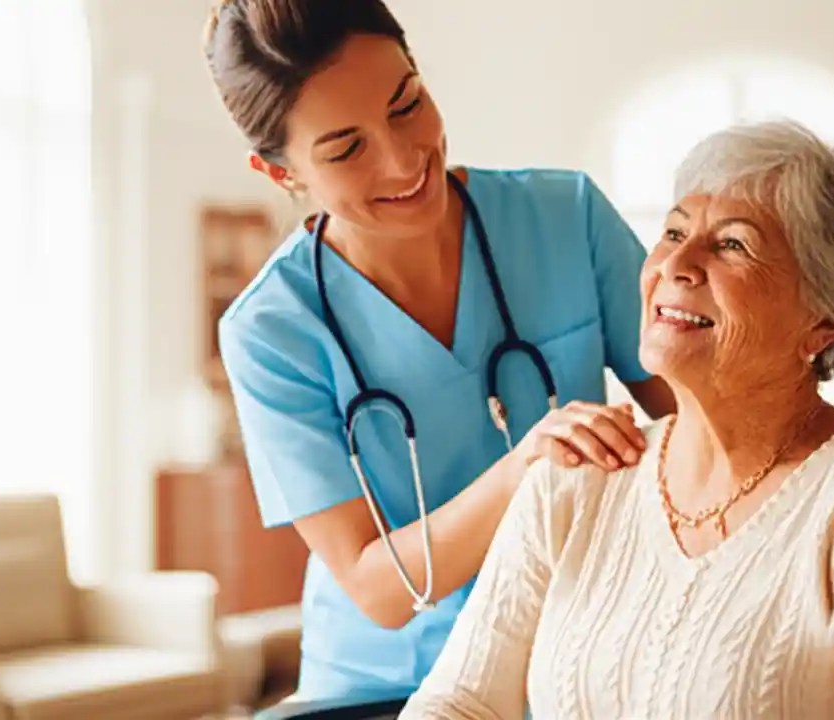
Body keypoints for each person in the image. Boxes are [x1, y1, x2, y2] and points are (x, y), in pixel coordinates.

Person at [401, 120, 834, 718]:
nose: (675, 264)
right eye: (673, 231)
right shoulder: (576, 476)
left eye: (732, 244)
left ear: (825, 319)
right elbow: (458, 701)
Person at [203, 0, 675, 700]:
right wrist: (527, 467)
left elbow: (703, 417)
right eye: (346, 149)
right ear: (282, 174)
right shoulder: (273, 330)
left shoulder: (567, 218)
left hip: (576, 654)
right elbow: (376, 585)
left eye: (406, 105)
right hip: (386, 686)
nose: (403, 159)